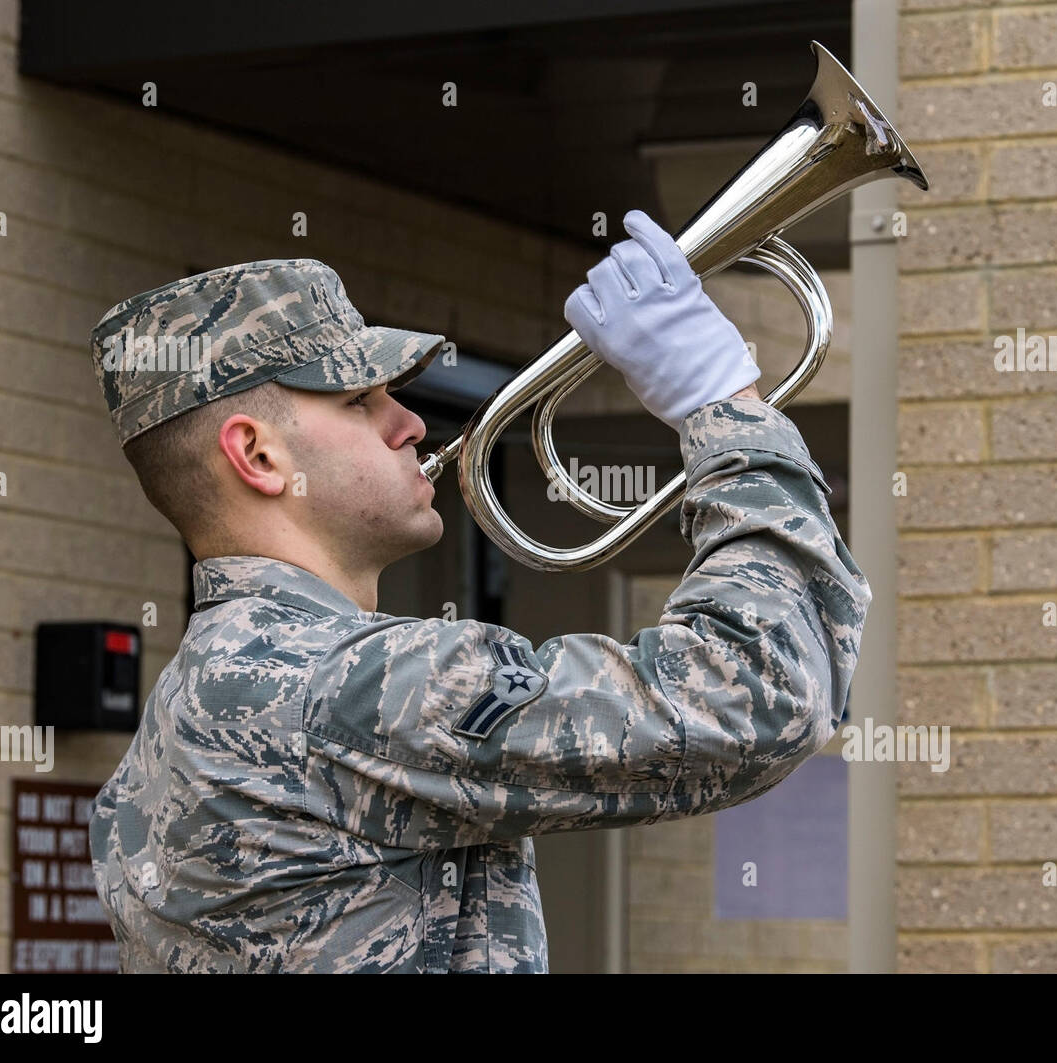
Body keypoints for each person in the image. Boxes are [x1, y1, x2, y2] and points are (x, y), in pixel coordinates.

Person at [86, 209, 871, 973]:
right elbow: (757, 692)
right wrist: (724, 410)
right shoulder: (346, 683)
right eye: (361, 400)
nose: (411, 424)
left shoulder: (175, 726)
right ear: (256, 455)